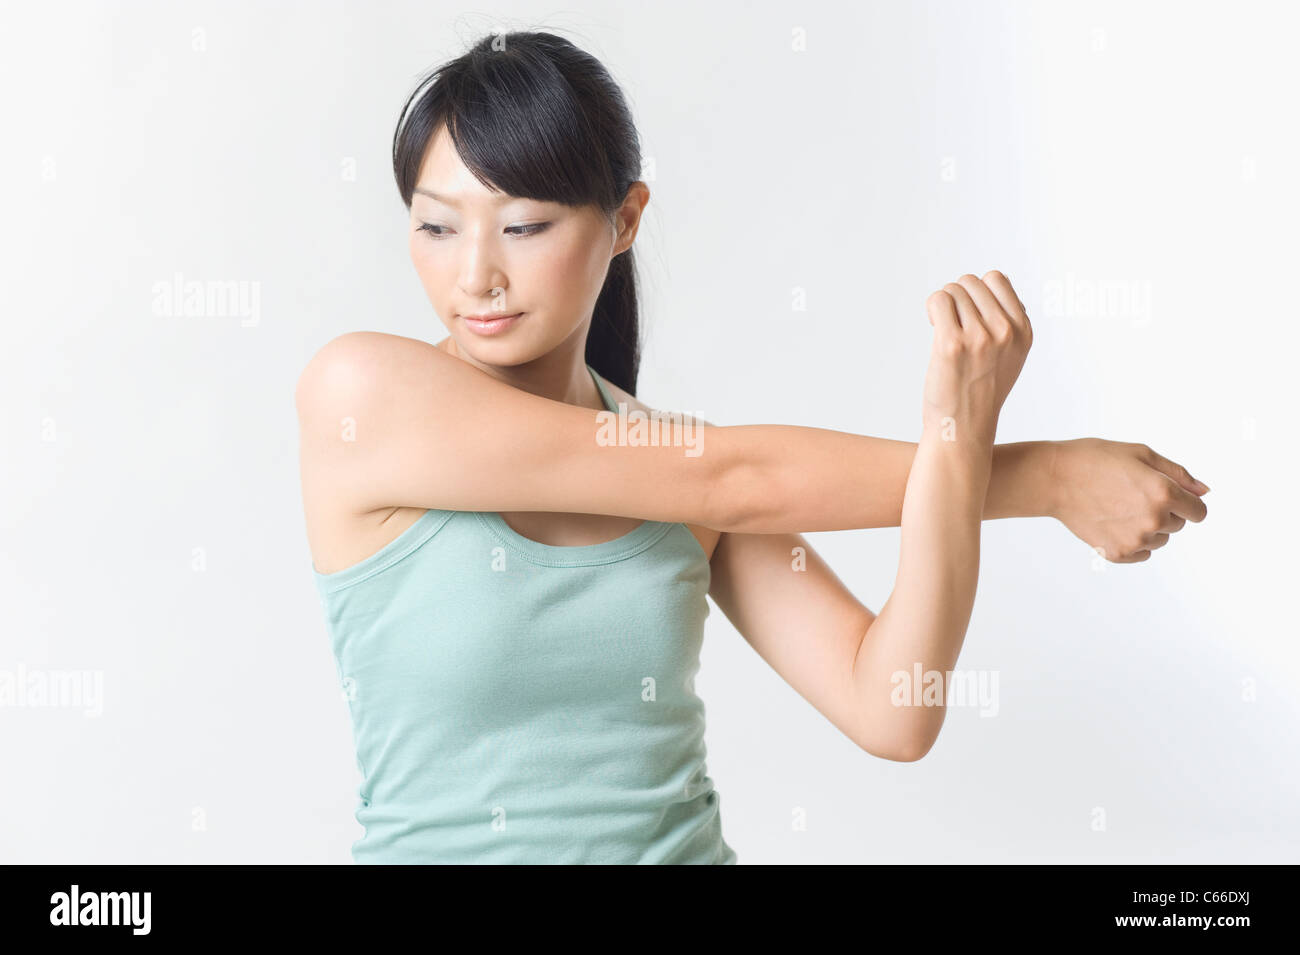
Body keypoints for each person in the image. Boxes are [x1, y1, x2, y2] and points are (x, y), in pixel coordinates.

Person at [294, 30, 1209, 864]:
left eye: (524, 225)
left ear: (624, 219)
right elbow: (741, 477)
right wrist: (1041, 475)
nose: (474, 274)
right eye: (436, 224)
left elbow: (893, 707)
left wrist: (959, 435)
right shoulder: (363, 397)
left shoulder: (693, 479)